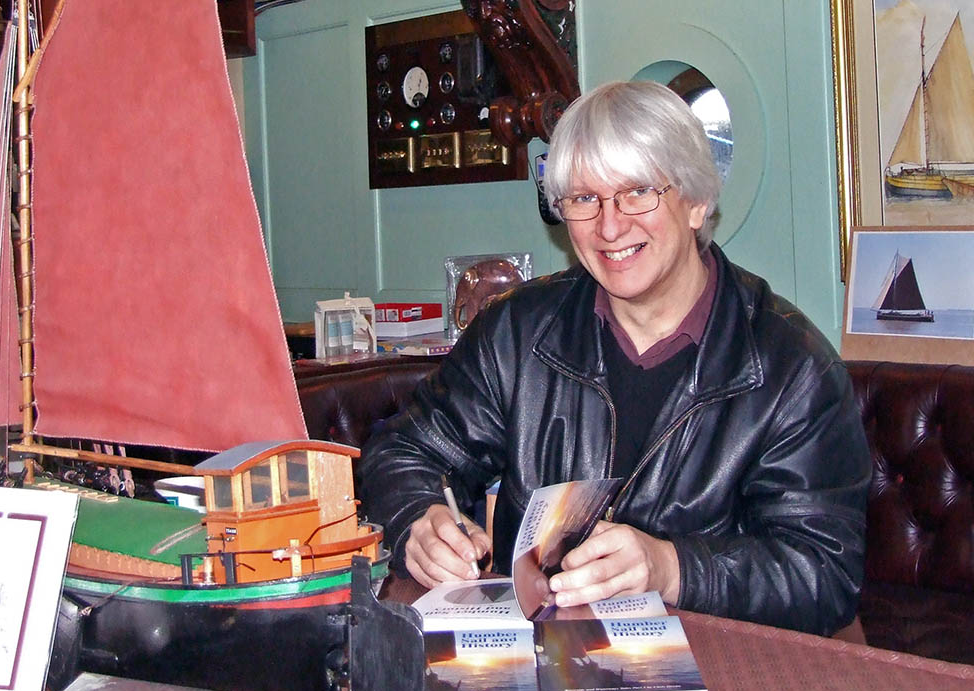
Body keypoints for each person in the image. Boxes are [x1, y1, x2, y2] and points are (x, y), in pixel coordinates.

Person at [358, 80, 870, 637]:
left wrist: (670, 567)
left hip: (720, 676)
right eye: (583, 199)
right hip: (532, 663)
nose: (609, 226)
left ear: (697, 202)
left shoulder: (792, 368)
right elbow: (402, 450)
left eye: (637, 192)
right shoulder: (517, 332)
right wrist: (419, 520)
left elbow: (824, 573)